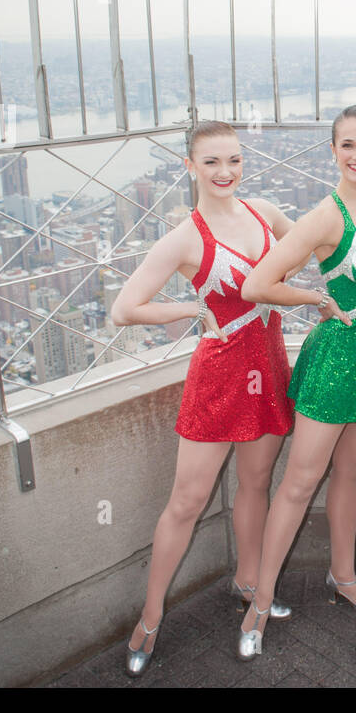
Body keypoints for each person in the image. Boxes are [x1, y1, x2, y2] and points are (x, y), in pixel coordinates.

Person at [235, 104, 356, 661]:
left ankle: (343, 576)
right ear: (333, 151)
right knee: (299, 483)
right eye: (347, 145)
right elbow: (257, 284)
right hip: (334, 362)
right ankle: (260, 601)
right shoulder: (324, 217)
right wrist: (316, 300)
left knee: (352, 472)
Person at [111, 120, 297, 678]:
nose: (225, 172)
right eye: (211, 162)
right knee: (187, 502)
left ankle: (248, 581)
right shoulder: (185, 237)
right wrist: (194, 312)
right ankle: (149, 617)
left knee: (257, 484)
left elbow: (318, 241)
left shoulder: (264, 212)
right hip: (219, 377)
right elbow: (125, 308)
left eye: (234, 160)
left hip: (268, 364)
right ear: (189, 167)